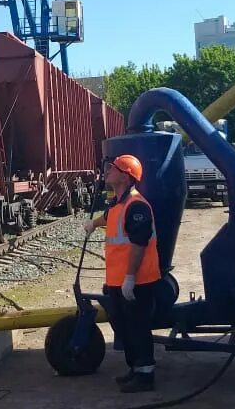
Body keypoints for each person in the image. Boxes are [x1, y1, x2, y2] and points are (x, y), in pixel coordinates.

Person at [82, 154, 161, 393]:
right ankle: (135, 369)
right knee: (125, 328)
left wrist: (129, 279)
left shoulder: (136, 205)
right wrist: (92, 225)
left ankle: (145, 376)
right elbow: (108, 217)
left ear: (126, 176)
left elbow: (139, 244)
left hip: (137, 281)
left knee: (137, 328)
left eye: (113, 169)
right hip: (117, 281)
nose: (107, 172)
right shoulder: (119, 203)